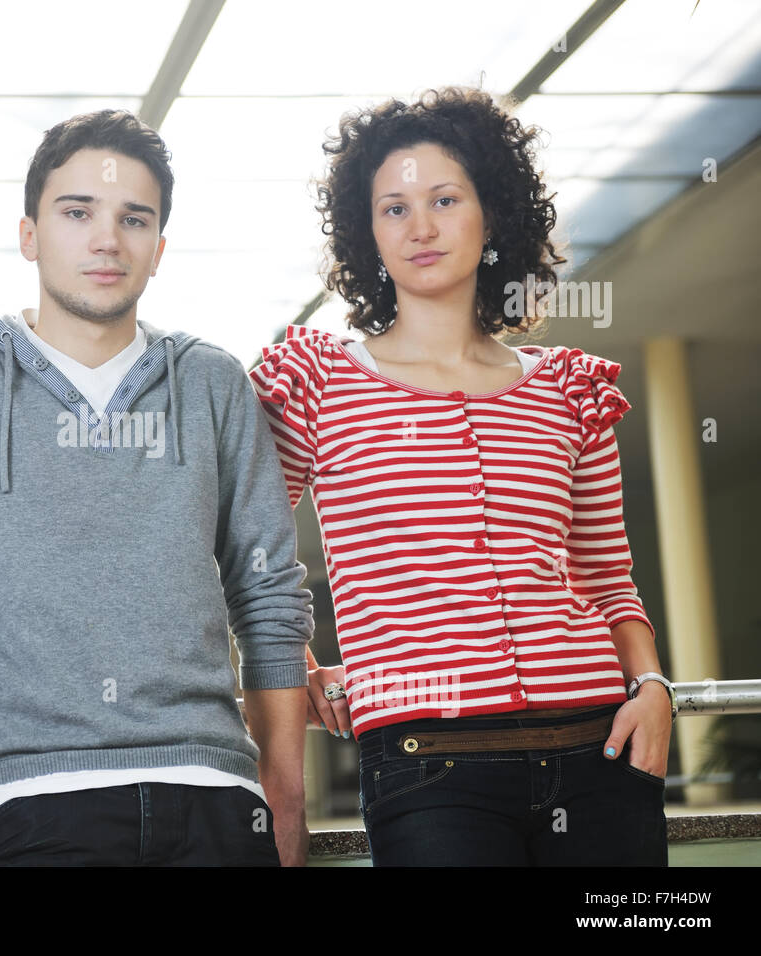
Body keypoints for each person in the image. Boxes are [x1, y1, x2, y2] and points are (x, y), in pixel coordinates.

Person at [0, 109, 314, 867]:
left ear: (159, 249)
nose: (107, 240)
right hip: (27, 804)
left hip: (214, 794)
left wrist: (284, 796)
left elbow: (269, 594)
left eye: (133, 219)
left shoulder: (211, 381)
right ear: (29, 234)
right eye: (77, 212)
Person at [251, 88, 671, 866]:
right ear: (366, 231)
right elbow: (246, 560)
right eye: (394, 208)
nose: (421, 227)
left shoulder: (570, 389)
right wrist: (303, 669)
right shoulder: (315, 381)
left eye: (444, 199)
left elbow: (611, 576)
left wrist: (653, 690)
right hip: (425, 765)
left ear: (492, 215)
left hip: (602, 749)